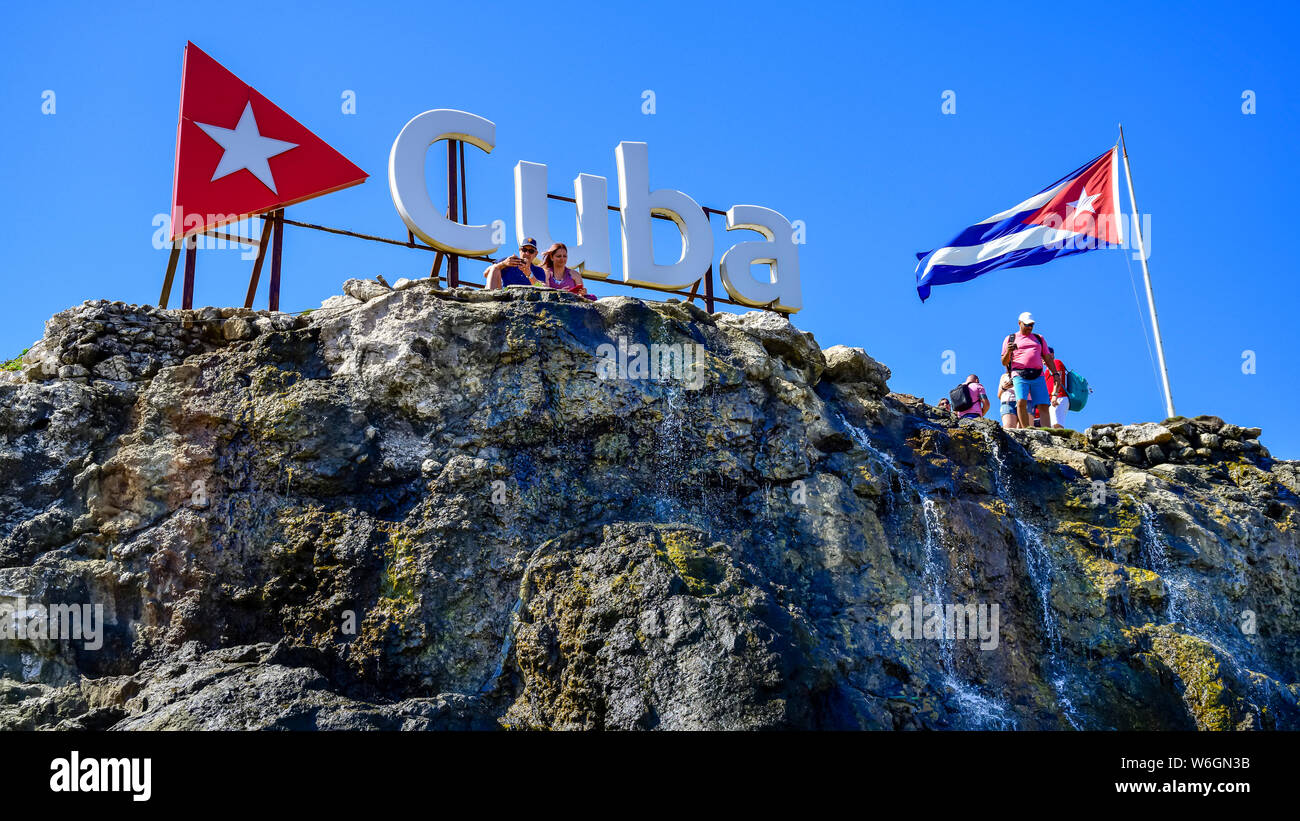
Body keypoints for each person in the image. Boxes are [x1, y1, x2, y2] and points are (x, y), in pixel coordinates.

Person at [1000, 311, 1060, 429]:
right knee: (1021, 402)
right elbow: (1004, 361)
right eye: (1027, 325)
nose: (1029, 327)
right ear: (1019, 323)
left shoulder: (1039, 338)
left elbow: (1047, 357)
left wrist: (1055, 373)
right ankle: (1027, 429)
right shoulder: (1011, 338)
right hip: (1019, 374)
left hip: (1038, 374)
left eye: (1031, 325)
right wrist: (1009, 351)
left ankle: (1047, 430)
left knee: (1043, 404)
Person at [1043, 346, 1069, 429]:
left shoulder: (1056, 362)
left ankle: (1061, 441)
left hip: (1059, 397)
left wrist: (1055, 395)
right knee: (1053, 424)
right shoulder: (1047, 370)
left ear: (1052, 354)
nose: (1042, 357)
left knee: (1057, 424)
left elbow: (1059, 378)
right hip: (1054, 399)